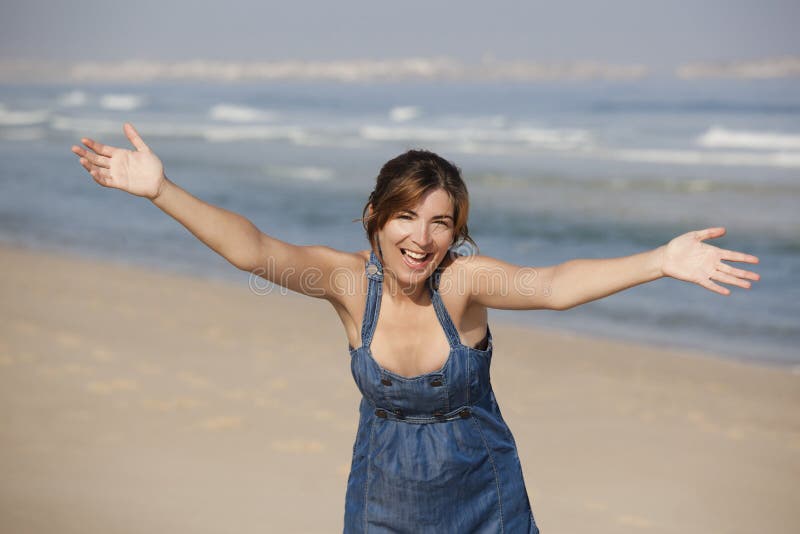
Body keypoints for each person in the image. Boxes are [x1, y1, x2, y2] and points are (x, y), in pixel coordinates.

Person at [71, 123, 760, 533]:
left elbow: (551, 286)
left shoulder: (462, 285)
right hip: (383, 493)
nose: (421, 237)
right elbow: (253, 250)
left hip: (483, 492)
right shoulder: (346, 285)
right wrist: (161, 190)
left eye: (440, 222)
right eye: (405, 216)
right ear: (375, 216)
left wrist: (661, 260)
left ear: (455, 233)